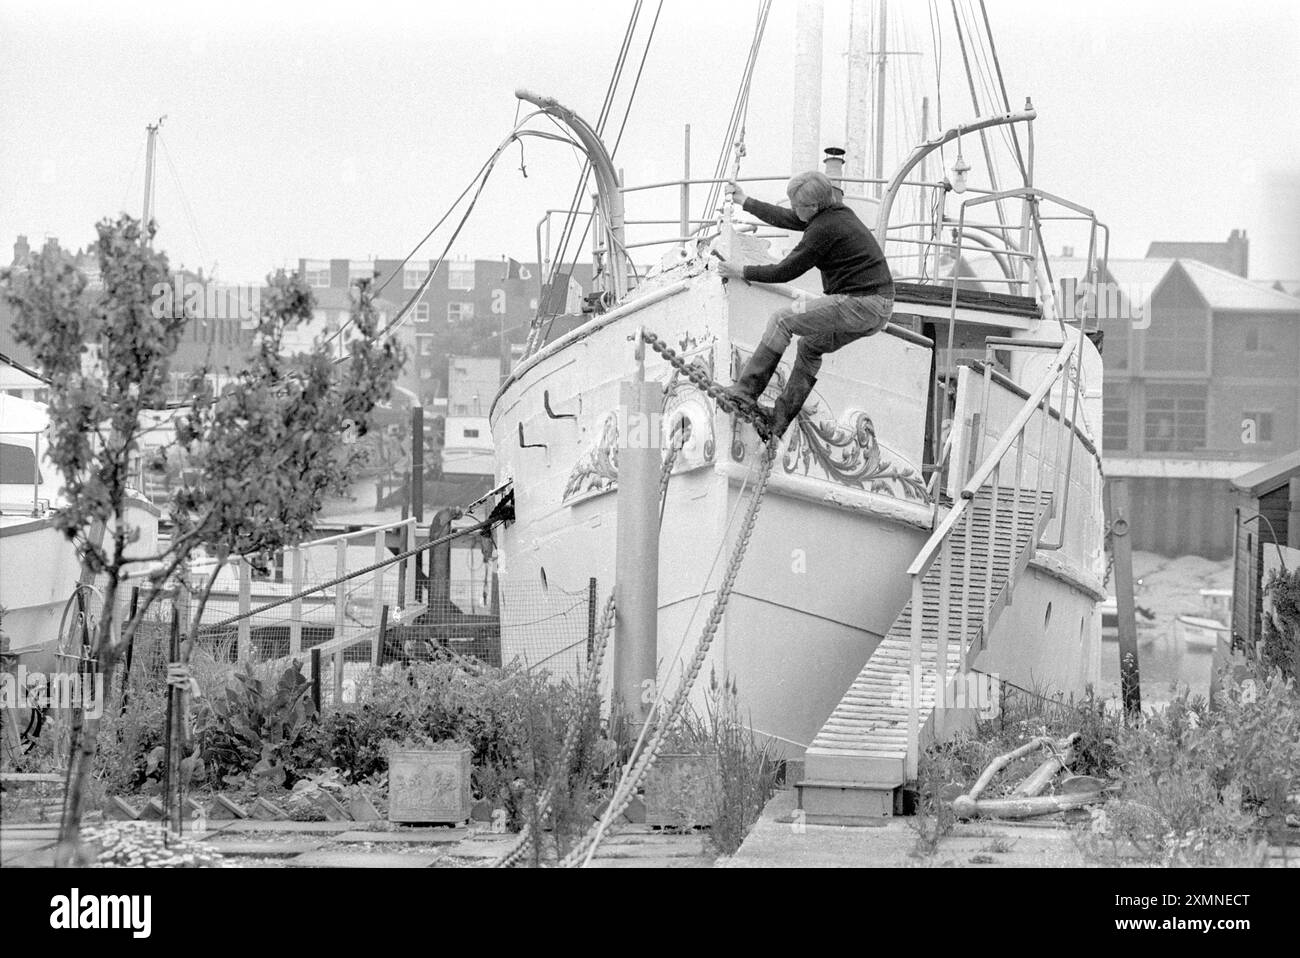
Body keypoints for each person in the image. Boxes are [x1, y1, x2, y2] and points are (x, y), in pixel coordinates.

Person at [716, 171, 894, 439]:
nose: (792, 210)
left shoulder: (823, 229)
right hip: (878, 307)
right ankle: (776, 422)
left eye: (796, 205)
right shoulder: (833, 213)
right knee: (809, 346)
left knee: (782, 319)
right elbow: (790, 218)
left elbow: (784, 271)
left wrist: (741, 270)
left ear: (812, 207)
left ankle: (744, 393)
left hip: (859, 303)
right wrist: (745, 201)